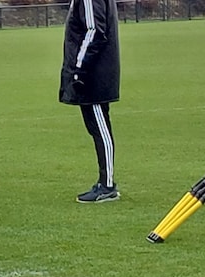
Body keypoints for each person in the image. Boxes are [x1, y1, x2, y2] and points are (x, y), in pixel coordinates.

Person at [60, 0, 120, 203]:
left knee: (100, 127)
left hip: (93, 74)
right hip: (95, 71)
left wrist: (79, 69)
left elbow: (95, 31)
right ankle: (106, 183)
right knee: (97, 127)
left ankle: (107, 185)